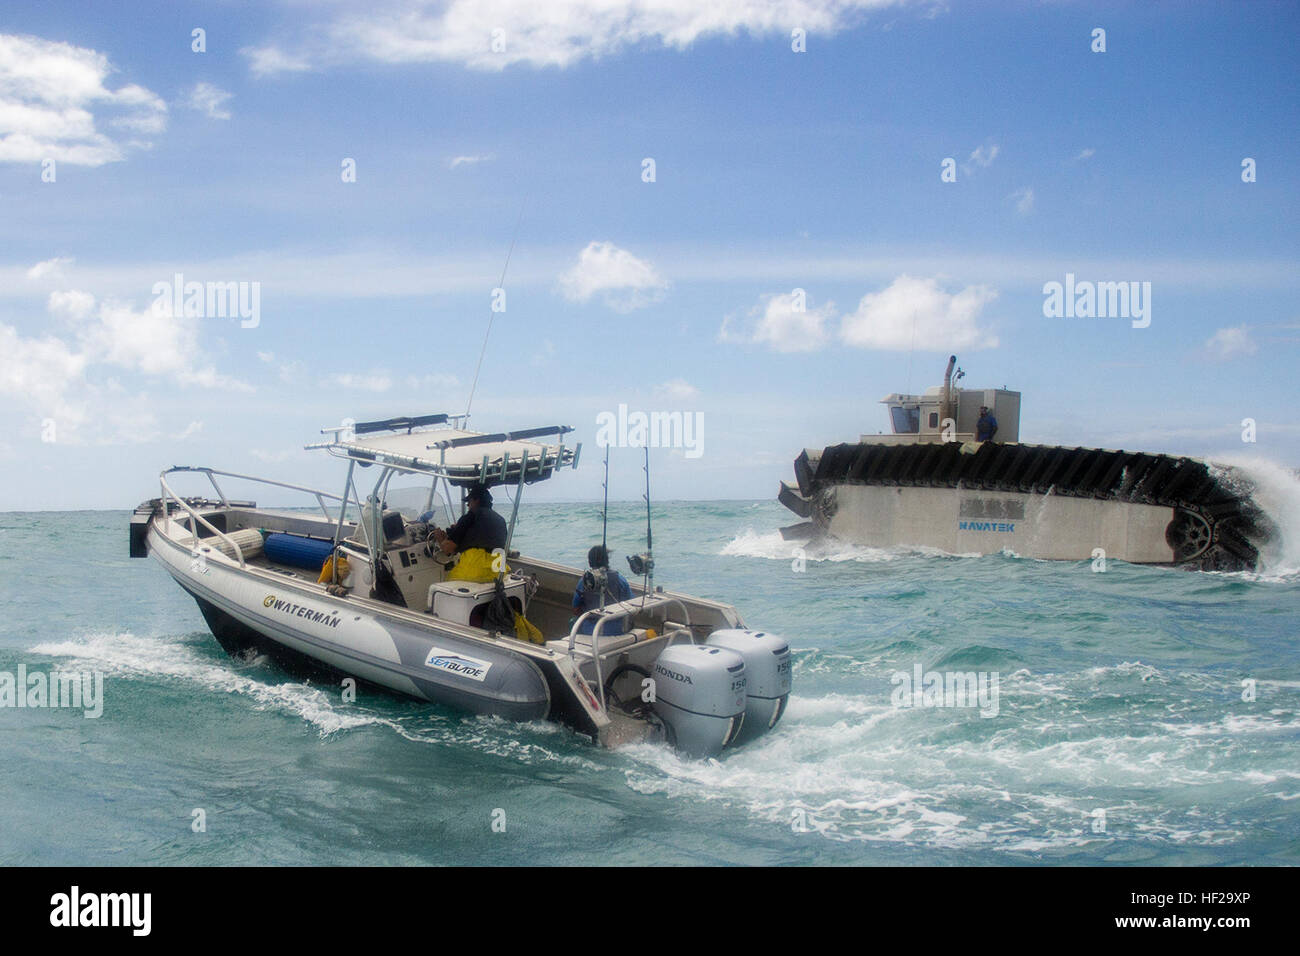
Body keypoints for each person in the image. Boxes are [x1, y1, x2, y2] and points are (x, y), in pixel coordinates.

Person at [433, 482, 508, 581]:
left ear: (477, 500)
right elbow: (481, 538)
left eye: (469, 501)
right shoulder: (500, 519)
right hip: (498, 571)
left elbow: (448, 549)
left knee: (444, 586)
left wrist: (439, 538)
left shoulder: (470, 516)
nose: (468, 504)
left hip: (477, 570)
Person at [571, 545, 633, 634]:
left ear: (590, 562)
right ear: (607, 560)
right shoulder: (620, 579)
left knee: (573, 622)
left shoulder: (584, 581)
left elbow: (575, 609)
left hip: (591, 630)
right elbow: (630, 603)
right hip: (617, 629)